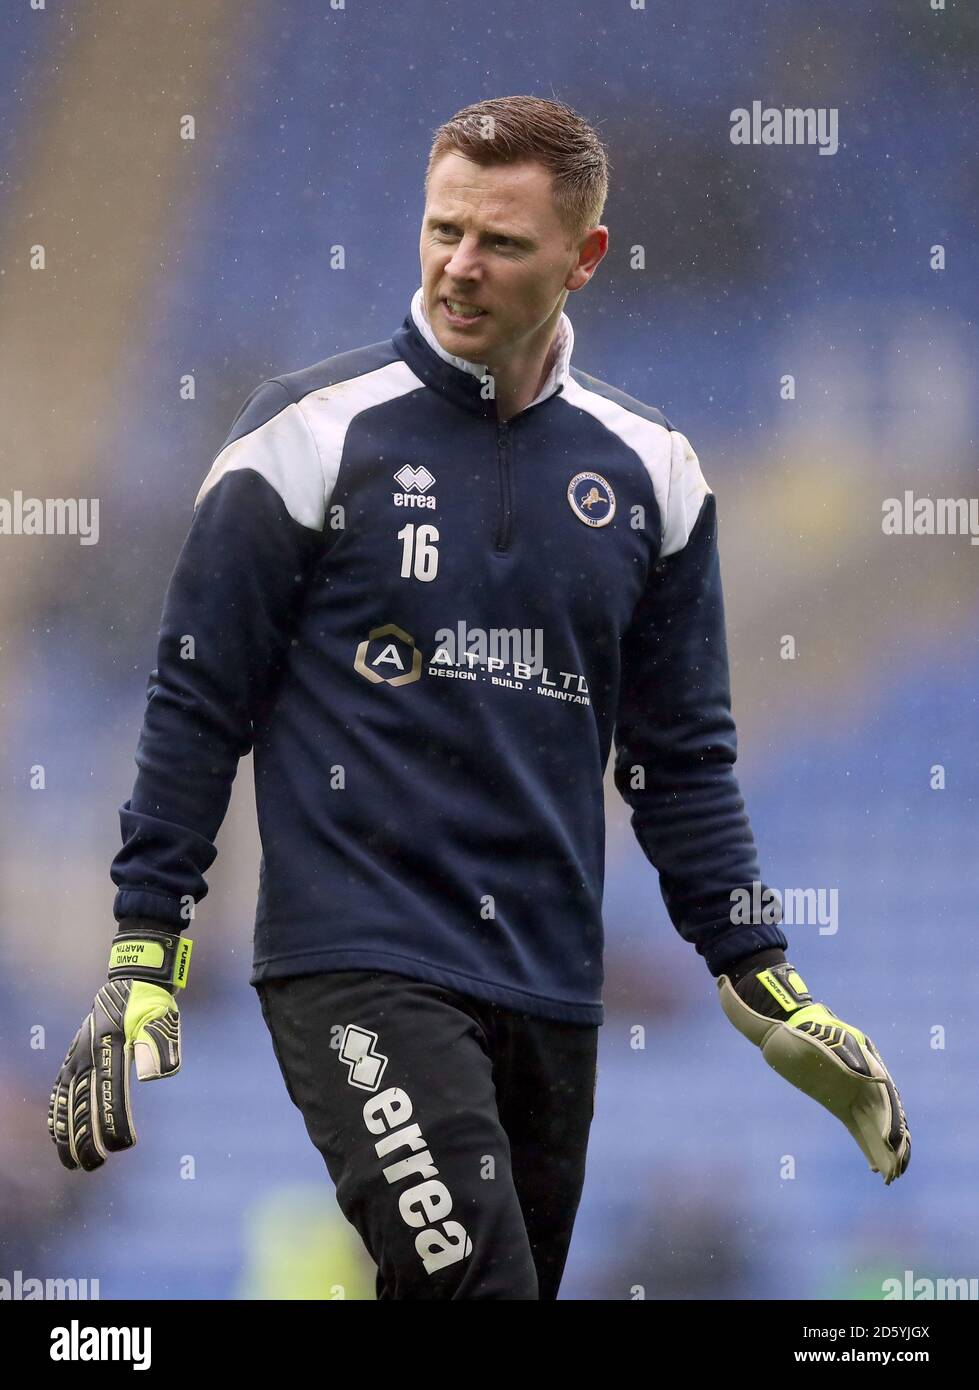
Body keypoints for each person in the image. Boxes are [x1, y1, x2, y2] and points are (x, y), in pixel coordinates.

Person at [47, 95, 910, 1300]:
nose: (460, 264)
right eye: (441, 228)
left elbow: (681, 761)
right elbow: (196, 702)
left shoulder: (651, 473)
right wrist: (146, 942)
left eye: (500, 242)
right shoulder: (302, 439)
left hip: (549, 987)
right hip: (355, 960)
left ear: (583, 258)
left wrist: (761, 977)